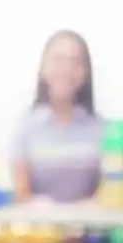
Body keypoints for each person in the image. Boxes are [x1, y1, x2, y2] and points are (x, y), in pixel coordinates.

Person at [10, 29, 103, 203]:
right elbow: (20, 193)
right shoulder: (26, 127)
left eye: (76, 62)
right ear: (44, 68)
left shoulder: (100, 128)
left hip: (90, 227)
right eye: (59, 60)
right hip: (38, 227)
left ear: (85, 72)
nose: (67, 69)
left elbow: (111, 189)